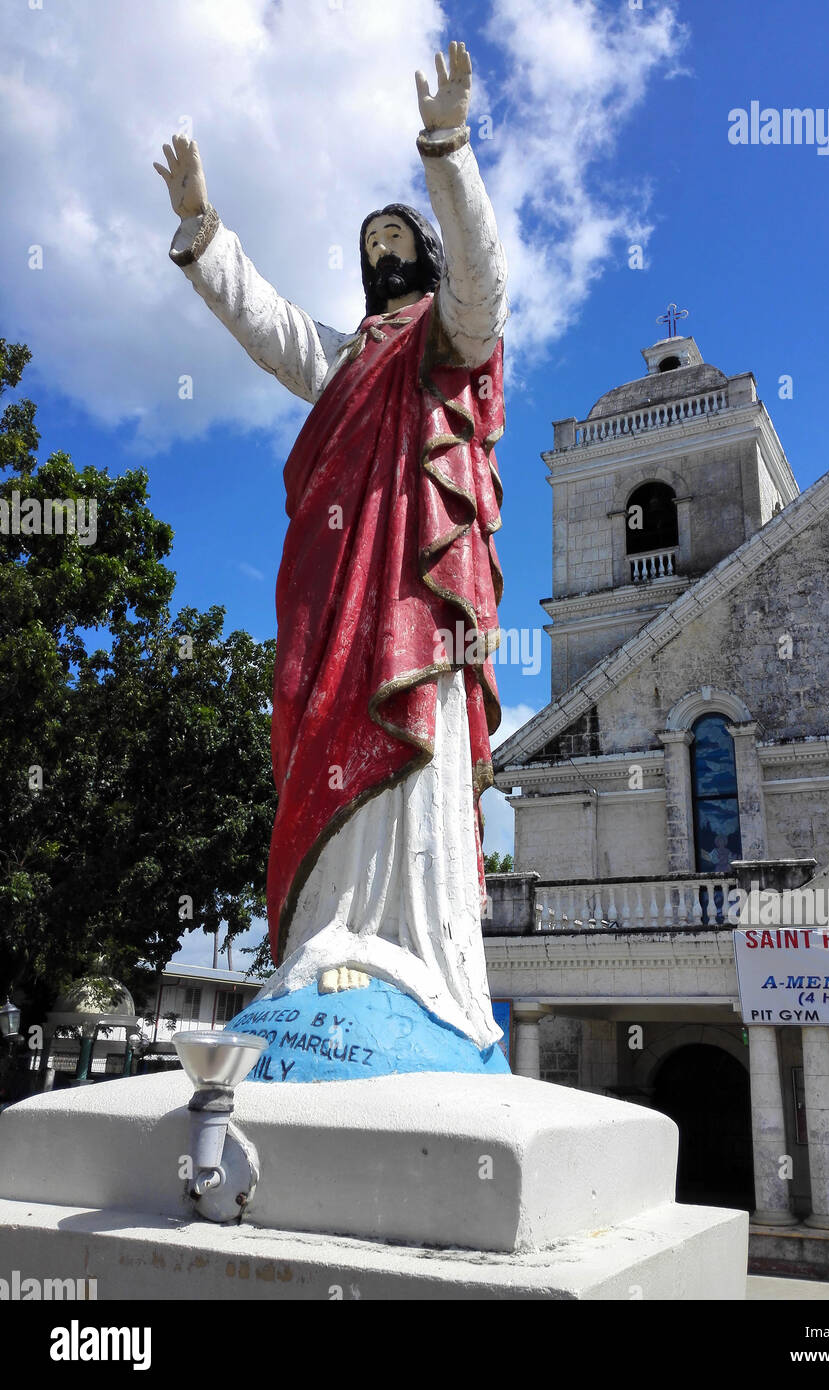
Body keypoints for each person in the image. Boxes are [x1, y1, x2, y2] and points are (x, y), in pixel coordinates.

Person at [155, 41, 507, 1054]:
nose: (387, 250)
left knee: (410, 718)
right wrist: (201, 230)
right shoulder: (354, 355)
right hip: (336, 582)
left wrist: (447, 149)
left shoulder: (449, 337)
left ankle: (408, 954)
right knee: (328, 721)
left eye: (402, 236)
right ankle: (328, 936)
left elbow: (482, 282)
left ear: (425, 255)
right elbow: (269, 326)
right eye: (374, 242)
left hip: (415, 578)